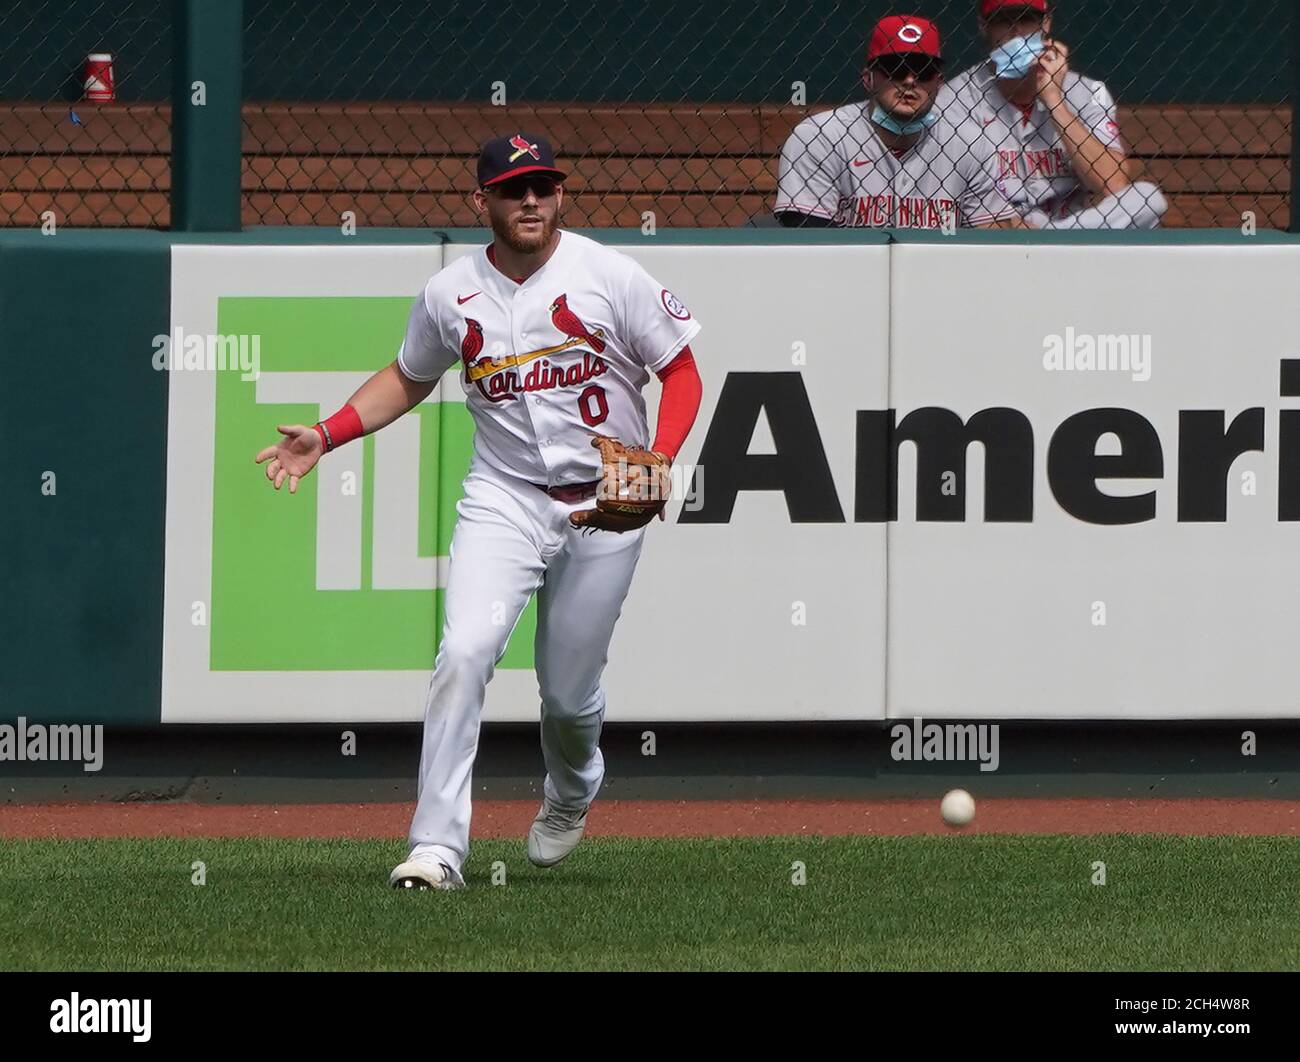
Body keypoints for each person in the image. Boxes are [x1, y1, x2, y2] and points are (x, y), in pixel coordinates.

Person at [254, 132, 704, 889]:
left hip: (604, 502)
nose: (531, 200)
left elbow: (681, 368)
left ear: (560, 193)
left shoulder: (609, 273)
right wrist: (327, 435)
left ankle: (572, 788)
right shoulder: (449, 292)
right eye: (513, 188)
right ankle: (436, 849)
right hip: (505, 497)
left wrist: (658, 455)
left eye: (543, 186)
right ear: (482, 201)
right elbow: (408, 375)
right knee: (464, 653)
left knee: (566, 694)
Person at [775, 14, 1023, 230]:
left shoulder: (970, 144)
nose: (909, 80)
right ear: (868, 78)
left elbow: (995, 244)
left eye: (923, 69)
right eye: (895, 67)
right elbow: (811, 248)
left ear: (939, 82)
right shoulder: (820, 137)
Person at [939, 0, 1167, 229]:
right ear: (983, 25)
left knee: (1147, 198)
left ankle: (1054, 238)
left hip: (1073, 227)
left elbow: (1113, 183)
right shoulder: (954, 100)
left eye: (1026, 19)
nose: (1016, 31)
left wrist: (1054, 100)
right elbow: (953, 202)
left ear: (1046, 23)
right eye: (1003, 20)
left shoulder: (1087, 91)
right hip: (1001, 235)